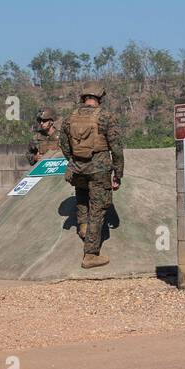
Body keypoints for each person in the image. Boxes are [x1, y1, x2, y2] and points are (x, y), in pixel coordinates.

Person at [58, 82, 124, 269]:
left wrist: (73, 160)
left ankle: (83, 226)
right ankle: (91, 254)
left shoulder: (70, 118)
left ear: (83, 98)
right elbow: (117, 148)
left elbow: (63, 143)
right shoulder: (106, 117)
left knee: (81, 195)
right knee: (98, 209)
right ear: (99, 98)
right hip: (99, 170)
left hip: (77, 168)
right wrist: (118, 173)